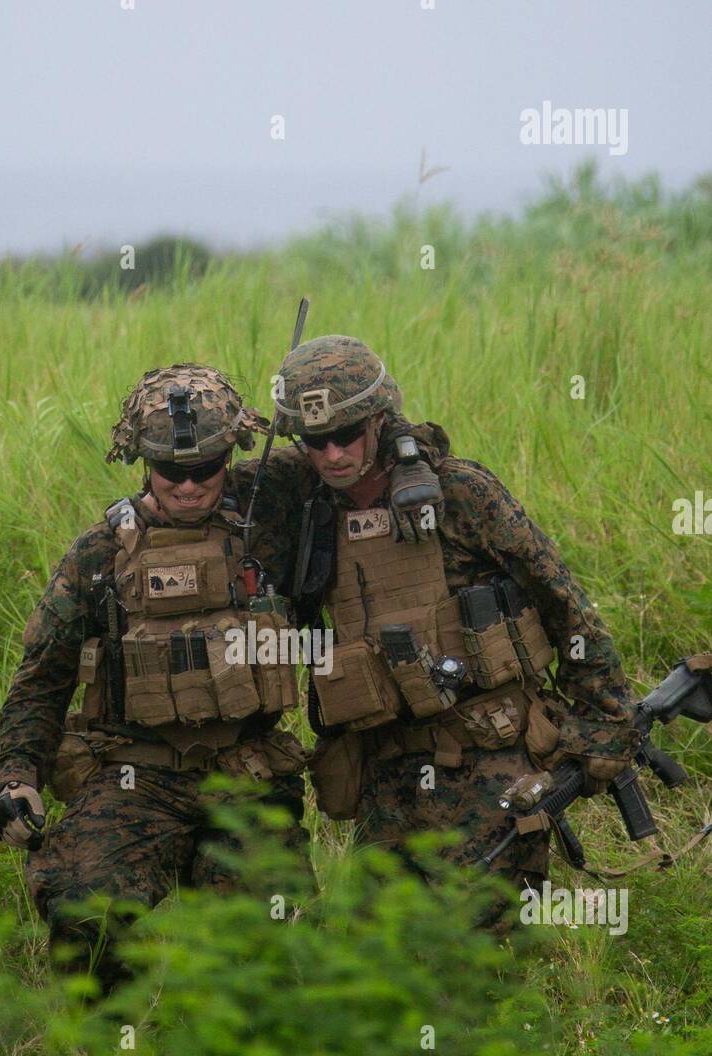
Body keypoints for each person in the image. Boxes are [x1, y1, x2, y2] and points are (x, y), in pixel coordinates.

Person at [232, 335, 638, 926]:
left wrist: (606, 723)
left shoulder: (462, 495)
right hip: (383, 764)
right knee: (385, 960)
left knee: (485, 939)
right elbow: (197, 490)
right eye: (314, 442)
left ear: (379, 422)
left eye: (346, 435)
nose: (333, 455)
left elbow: (566, 607)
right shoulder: (307, 509)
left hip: (487, 752)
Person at [0, 364, 308, 991]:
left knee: (270, 948)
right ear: (142, 463)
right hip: (136, 774)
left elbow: (348, 444)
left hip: (247, 774)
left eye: (206, 469)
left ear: (230, 456)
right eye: (172, 471)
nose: (189, 485)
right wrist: (18, 776)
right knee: (81, 910)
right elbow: (42, 678)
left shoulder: (269, 520)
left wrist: (410, 450)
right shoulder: (100, 554)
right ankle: (117, 1054)